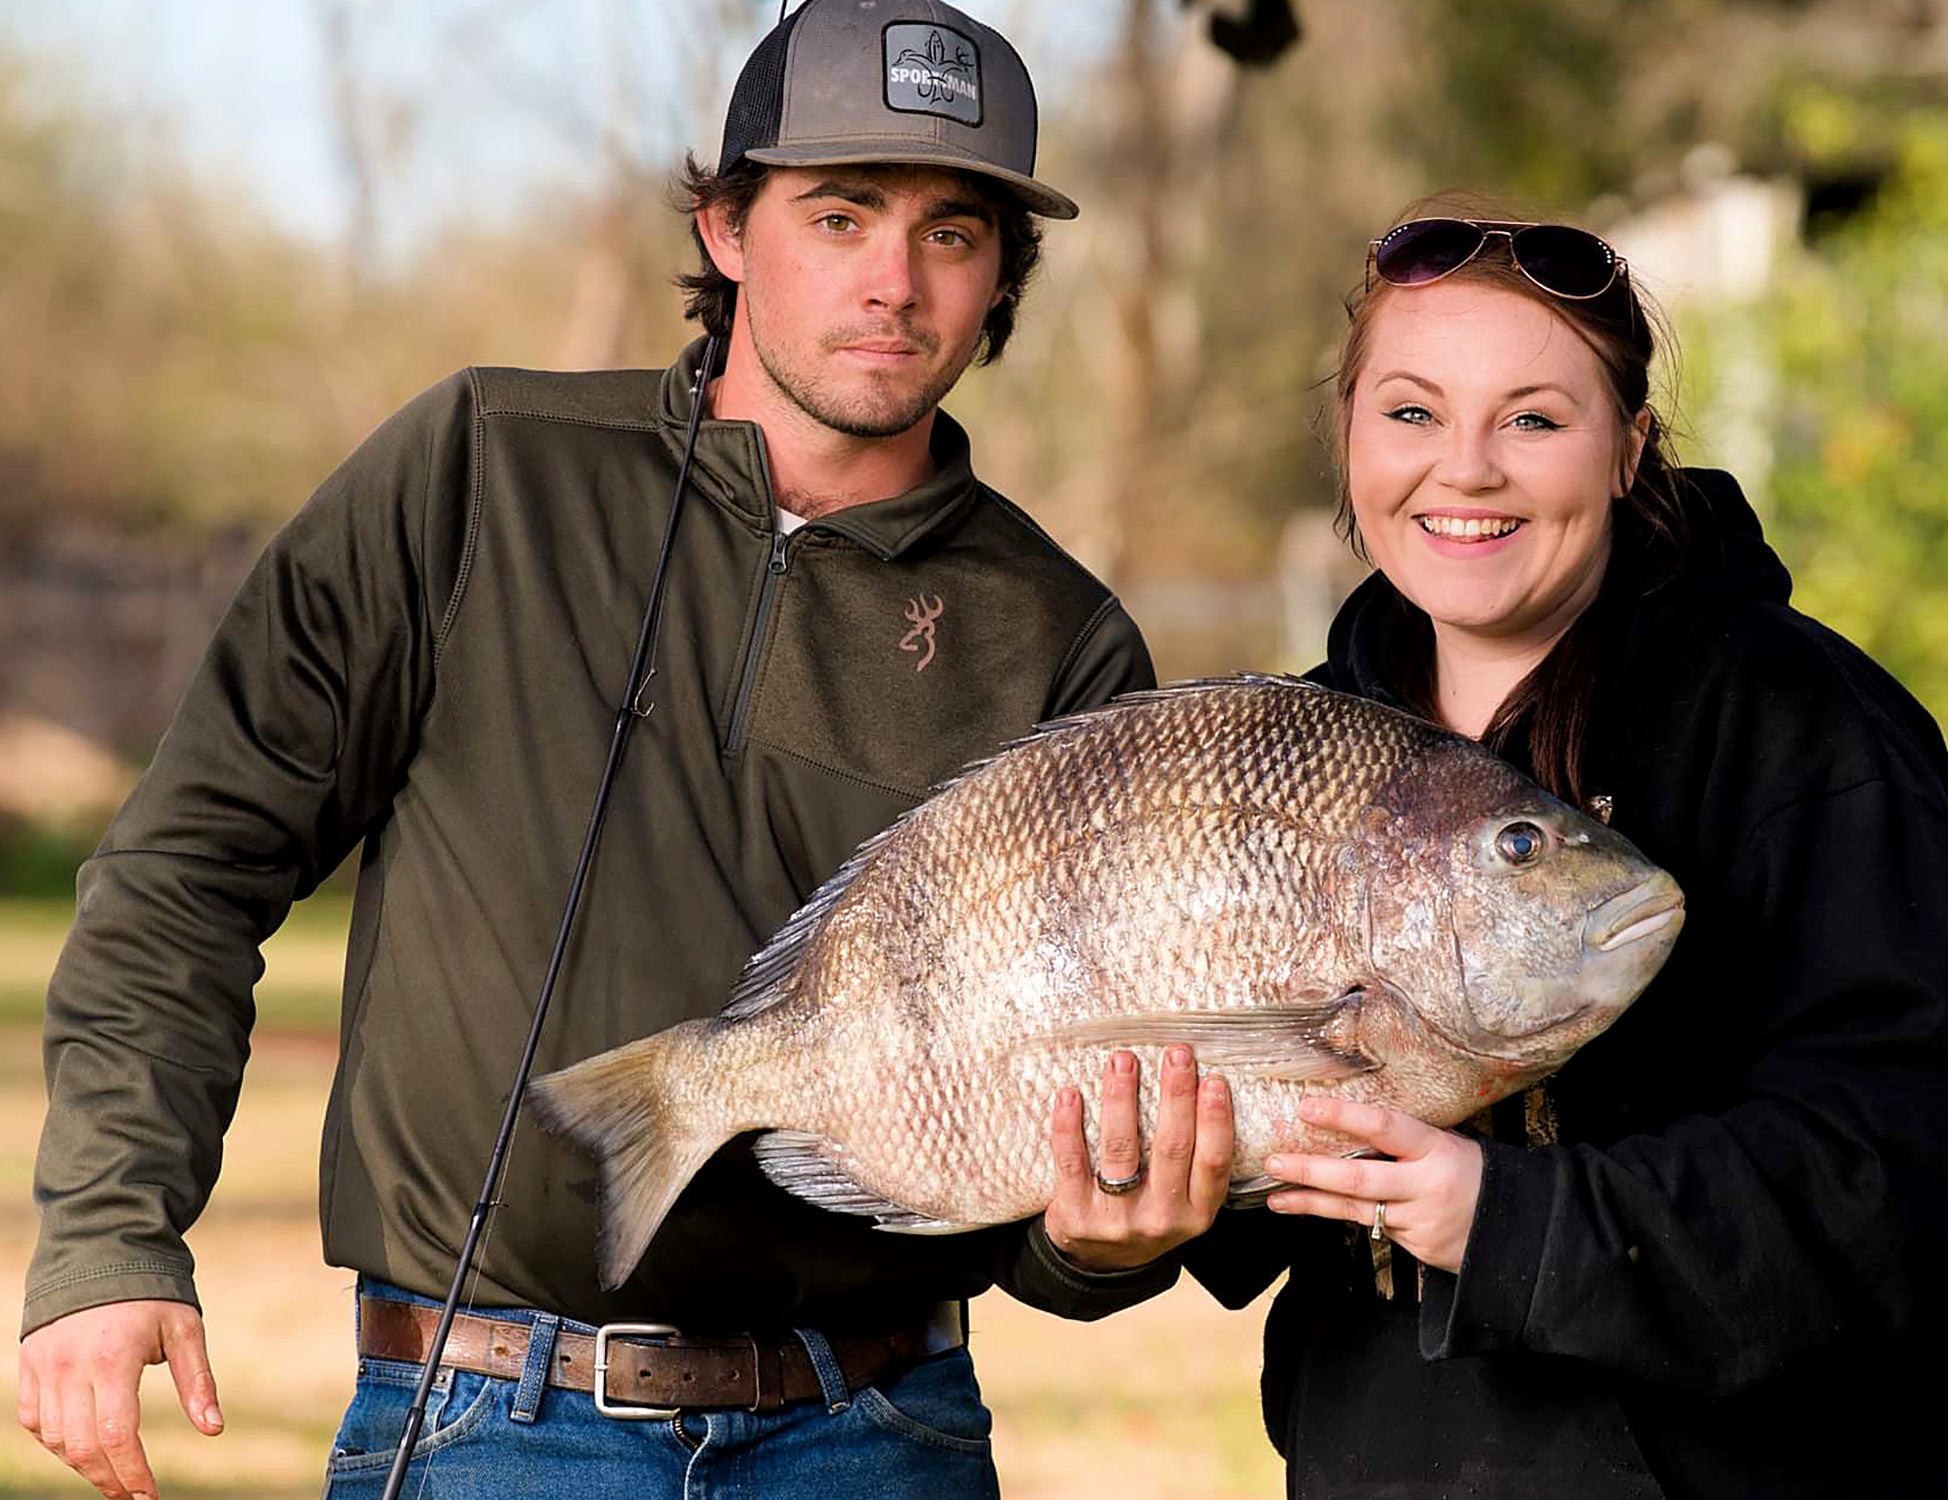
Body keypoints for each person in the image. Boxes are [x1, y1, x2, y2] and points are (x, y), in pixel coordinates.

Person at [17, 4, 1235, 1497]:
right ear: (726, 227)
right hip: (487, 1423)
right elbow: (190, 866)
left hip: (879, 1432)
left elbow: (1050, 1207)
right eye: (840, 214)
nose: (895, 280)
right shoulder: (480, 473)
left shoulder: (1061, 640)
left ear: (1001, 276)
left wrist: (1106, 1244)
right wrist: (108, 1237)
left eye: (953, 233)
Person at [1187, 208, 1948, 1496]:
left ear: (1629, 448)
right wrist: (1134, 1225)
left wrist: (1516, 1227)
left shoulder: (1803, 729)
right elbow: (1244, 1185)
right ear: (1349, 433)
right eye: (1413, 413)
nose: (1467, 470)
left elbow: (1903, 1167)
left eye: (1533, 420)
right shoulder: (1282, 763)